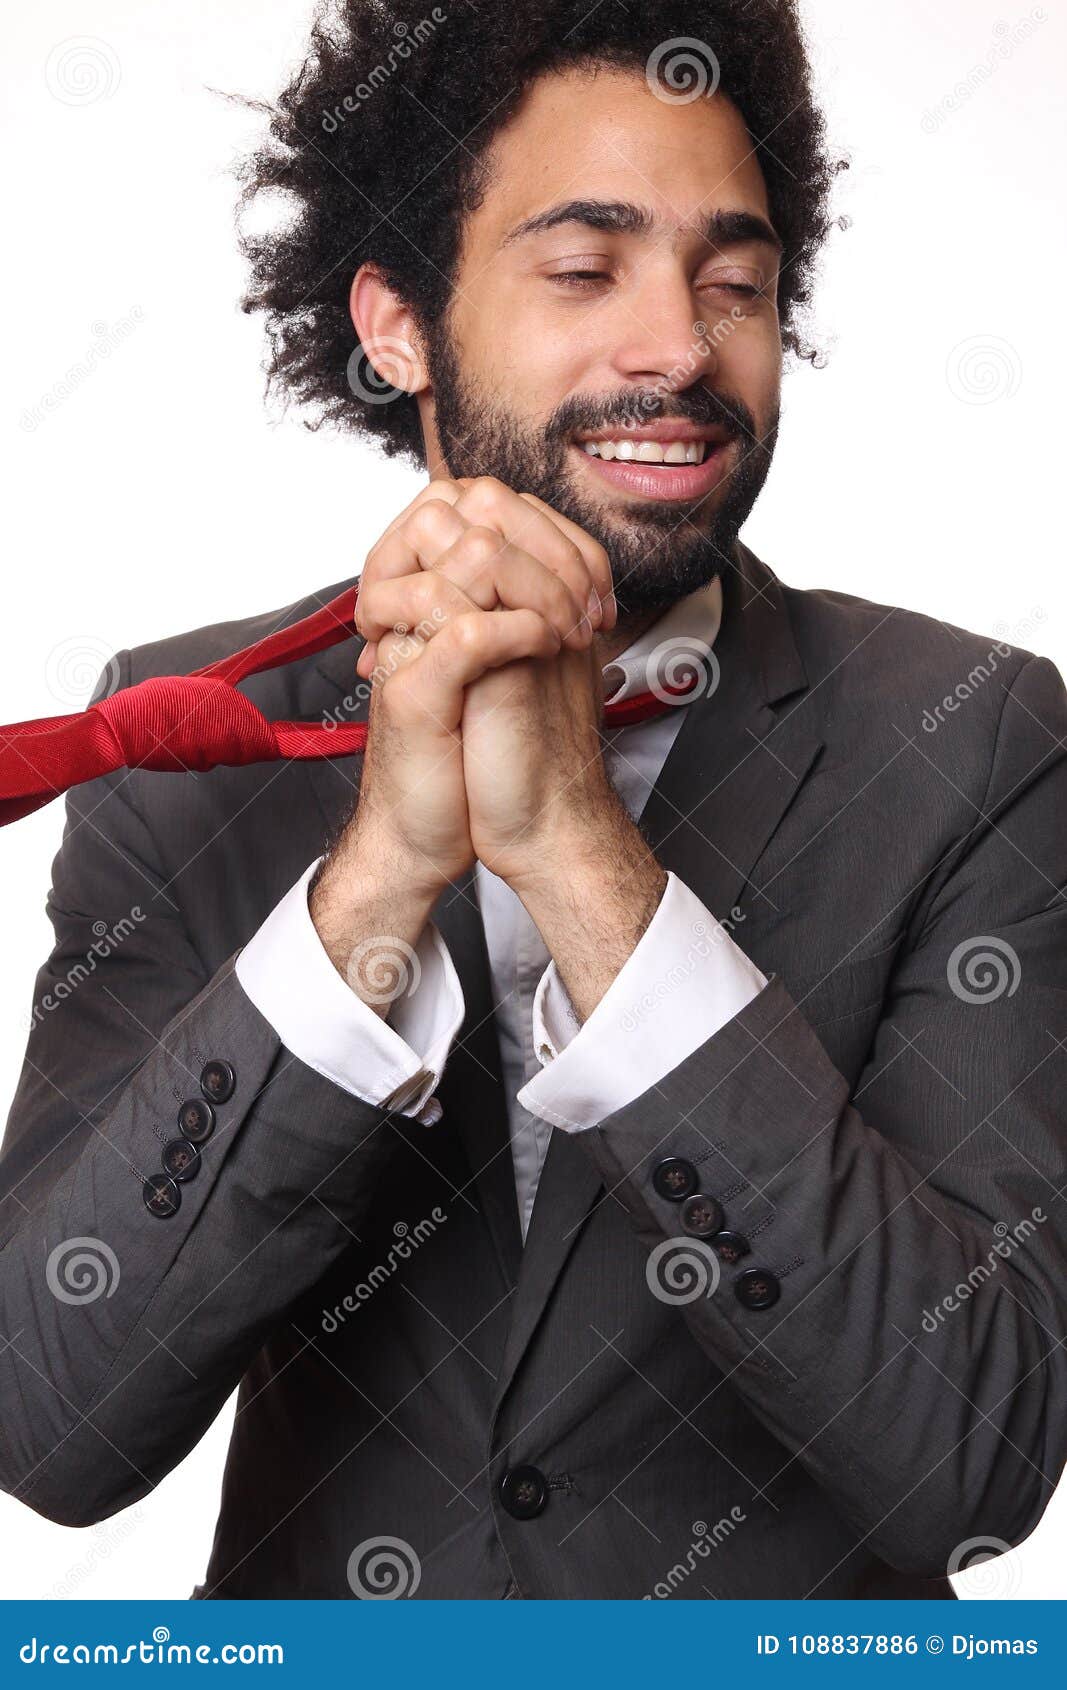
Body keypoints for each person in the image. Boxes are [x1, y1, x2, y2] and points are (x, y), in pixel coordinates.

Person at [2, 0, 1065, 1601]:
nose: (683, 350)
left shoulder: (974, 738)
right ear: (398, 325)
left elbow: (972, 1452)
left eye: (737, 283)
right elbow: (50, 1423)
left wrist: (581, 851)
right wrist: (374, 884)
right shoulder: (186, 747)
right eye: (585, 269)